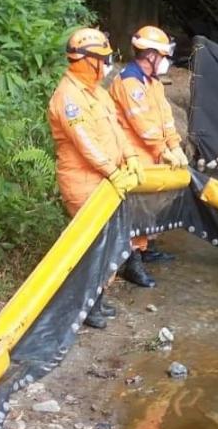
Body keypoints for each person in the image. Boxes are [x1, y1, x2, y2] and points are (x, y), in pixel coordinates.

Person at [47, 28, 146, 325]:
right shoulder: (69, 97)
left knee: (109, 245)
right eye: (101, 58)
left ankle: (97, 300)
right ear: (84, 60)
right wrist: (113, 172)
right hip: (84, 182)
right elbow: (85, 142)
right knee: (94, 248)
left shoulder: (98, 93)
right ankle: (86, 305)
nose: (106, 64)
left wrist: (130, 156)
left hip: (105, 180)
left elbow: (117, 132)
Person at [110, 25, 189, 282]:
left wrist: (174, 145)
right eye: (164, 56)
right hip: (134, 157)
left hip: (151, 157)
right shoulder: (129, 83)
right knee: (136, 212)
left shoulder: (153, 83)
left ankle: (146, 249)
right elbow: (143, 126)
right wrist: (163, 150)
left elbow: (165, 119)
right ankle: (132, 261)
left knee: (152, 207)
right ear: (151, 55)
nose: (167, 61)